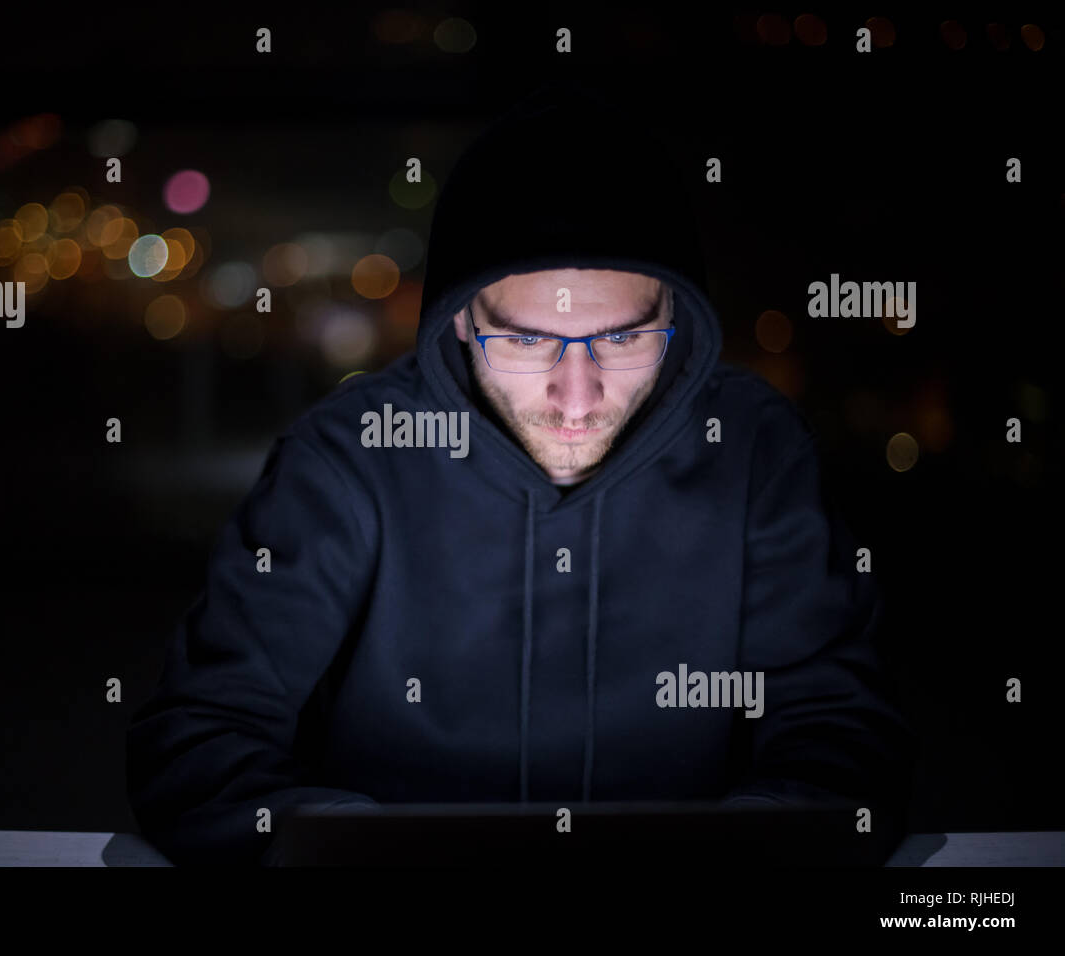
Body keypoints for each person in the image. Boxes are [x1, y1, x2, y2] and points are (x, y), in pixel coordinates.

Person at [126, 82, 914, 865]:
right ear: (463, 320)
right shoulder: (348, 457)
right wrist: (367, 860)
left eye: (621, 340)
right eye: (529, 342)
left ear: (676, 315)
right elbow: (199, 736)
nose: (578, 399)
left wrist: (735, 861)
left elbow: (843, 734)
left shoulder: (755, 450)